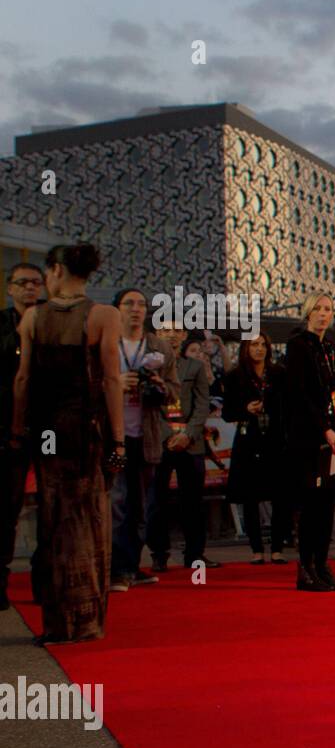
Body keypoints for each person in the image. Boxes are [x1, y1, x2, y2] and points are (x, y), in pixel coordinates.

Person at [10, 243, 125, 644]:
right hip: (85, 430)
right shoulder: (103, 316)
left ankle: (58, 623)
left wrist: (16, 428)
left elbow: (22, 381)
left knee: (53, 518)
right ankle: (87, 621)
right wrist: (117, 438)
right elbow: (111, 379)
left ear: (57, 270)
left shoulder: (32, 318)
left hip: (45, 431)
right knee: (89, 519)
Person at [286, 291, 335, 591]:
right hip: (310, 437)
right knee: (311, 503)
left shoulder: (330, 347)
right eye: (318, 309)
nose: (323, 314)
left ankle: (322, 563)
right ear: (307, 313)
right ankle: (306, 567)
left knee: (328, 502)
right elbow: (300, 395)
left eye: (328, 309)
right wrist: (325, 429)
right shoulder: (298, 346)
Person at [109, 288, 178, 591]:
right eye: (129, 304)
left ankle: (131, 565)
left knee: (140, 506)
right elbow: (88, 385)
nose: (136, 309)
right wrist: (114, 385)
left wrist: (161, 386)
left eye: (141, 304)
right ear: (117, 309)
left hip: (147, 436)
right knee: (117, 502)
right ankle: (114, 569)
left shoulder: (159, 346)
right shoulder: (106, 344)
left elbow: (175, 393)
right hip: (114, 436)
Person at [146, 323, 218, 573]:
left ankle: (195, 554)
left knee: (193, 502)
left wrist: (188, 433)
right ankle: (159, 553)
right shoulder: (149, 366)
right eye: (166, 330)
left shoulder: (195, 367)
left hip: (191, 442)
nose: (172, 335)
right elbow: (149, 406)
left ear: (185, 336)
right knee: (156, 501)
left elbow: (202, 405)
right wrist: (168, 435)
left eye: (177, 330)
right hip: (159, 440)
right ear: (157, 335)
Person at [224, 332, 290, 563]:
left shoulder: (279, 374)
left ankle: (278, 547)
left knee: (280, 495)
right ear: (246, 348)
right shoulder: (235, 377)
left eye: (263, 345)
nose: (259, 349)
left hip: (275, 439)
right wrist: (246, 409)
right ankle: (256, 549)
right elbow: (226, 412)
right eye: (254, 345)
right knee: (249, 497)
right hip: (248, 440)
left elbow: (288, 406)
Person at [0, 262, 44, 609]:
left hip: (48, 429)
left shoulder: (51, 322)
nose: (30, 288)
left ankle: (45, 581)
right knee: (7, 508)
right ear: (9, 287)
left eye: (35, 283)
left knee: (51, 506)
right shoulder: (2, 326)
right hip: (7, 431)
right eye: (22, 283)